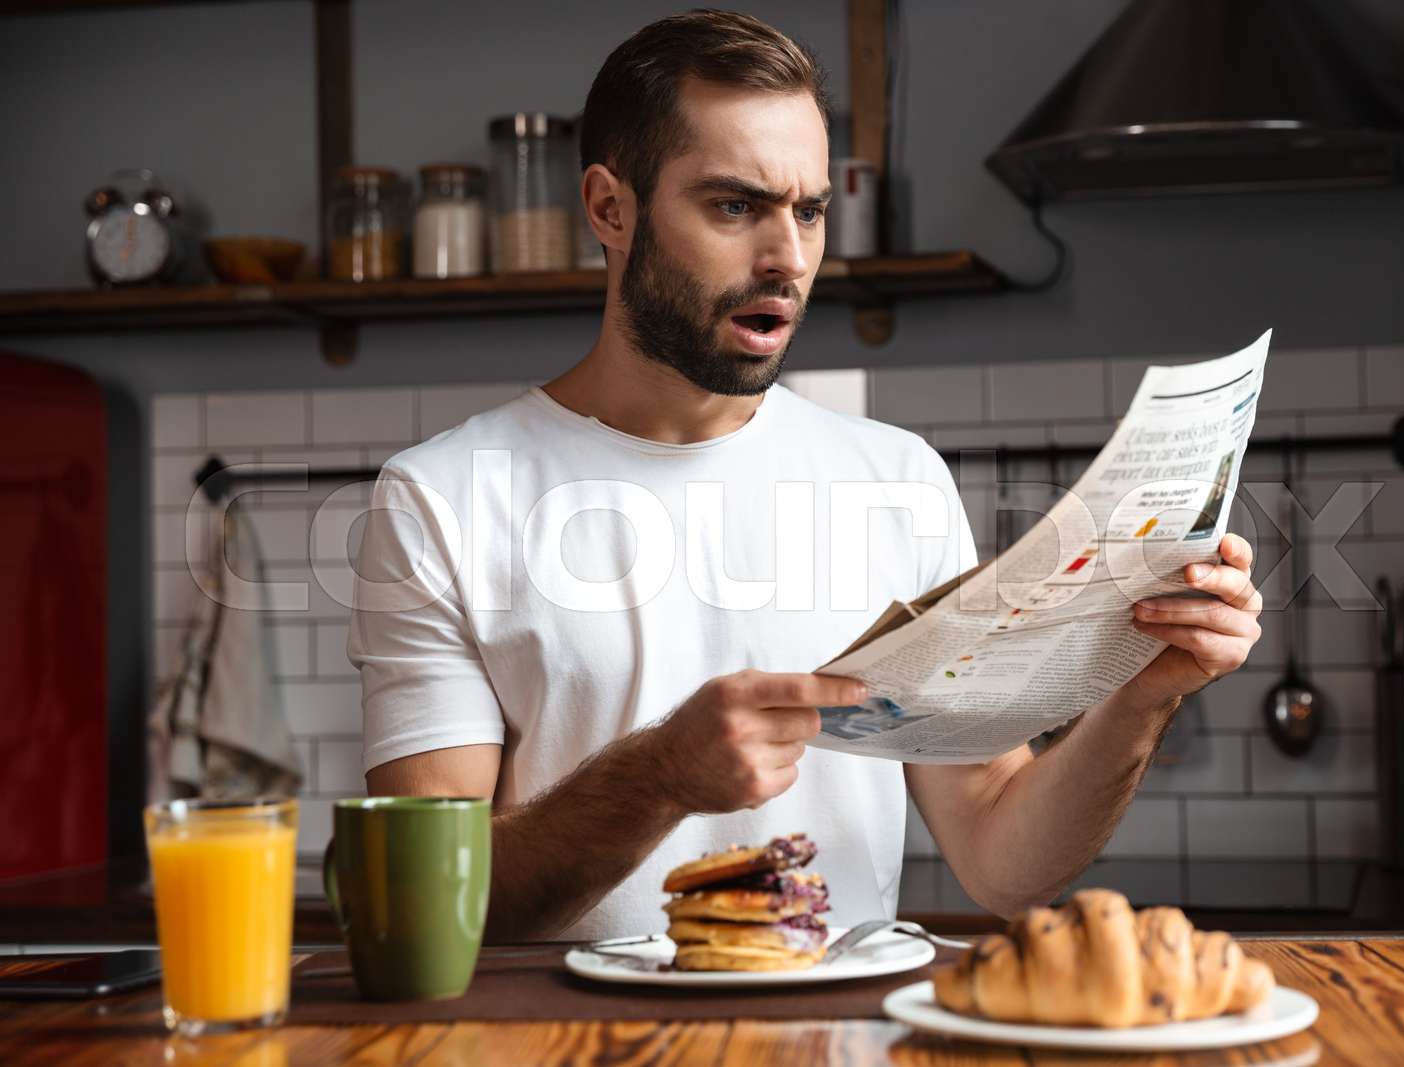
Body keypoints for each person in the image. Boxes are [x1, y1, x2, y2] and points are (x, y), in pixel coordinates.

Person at [349, 10, 1263, 941]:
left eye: (810, 210)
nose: (788, 257)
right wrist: (661, 775)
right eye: (735, 205)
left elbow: (1003, 860)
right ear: (609, 208)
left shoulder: (896, 477)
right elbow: (425, 910)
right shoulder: (442, 498)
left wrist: (1140, 697)